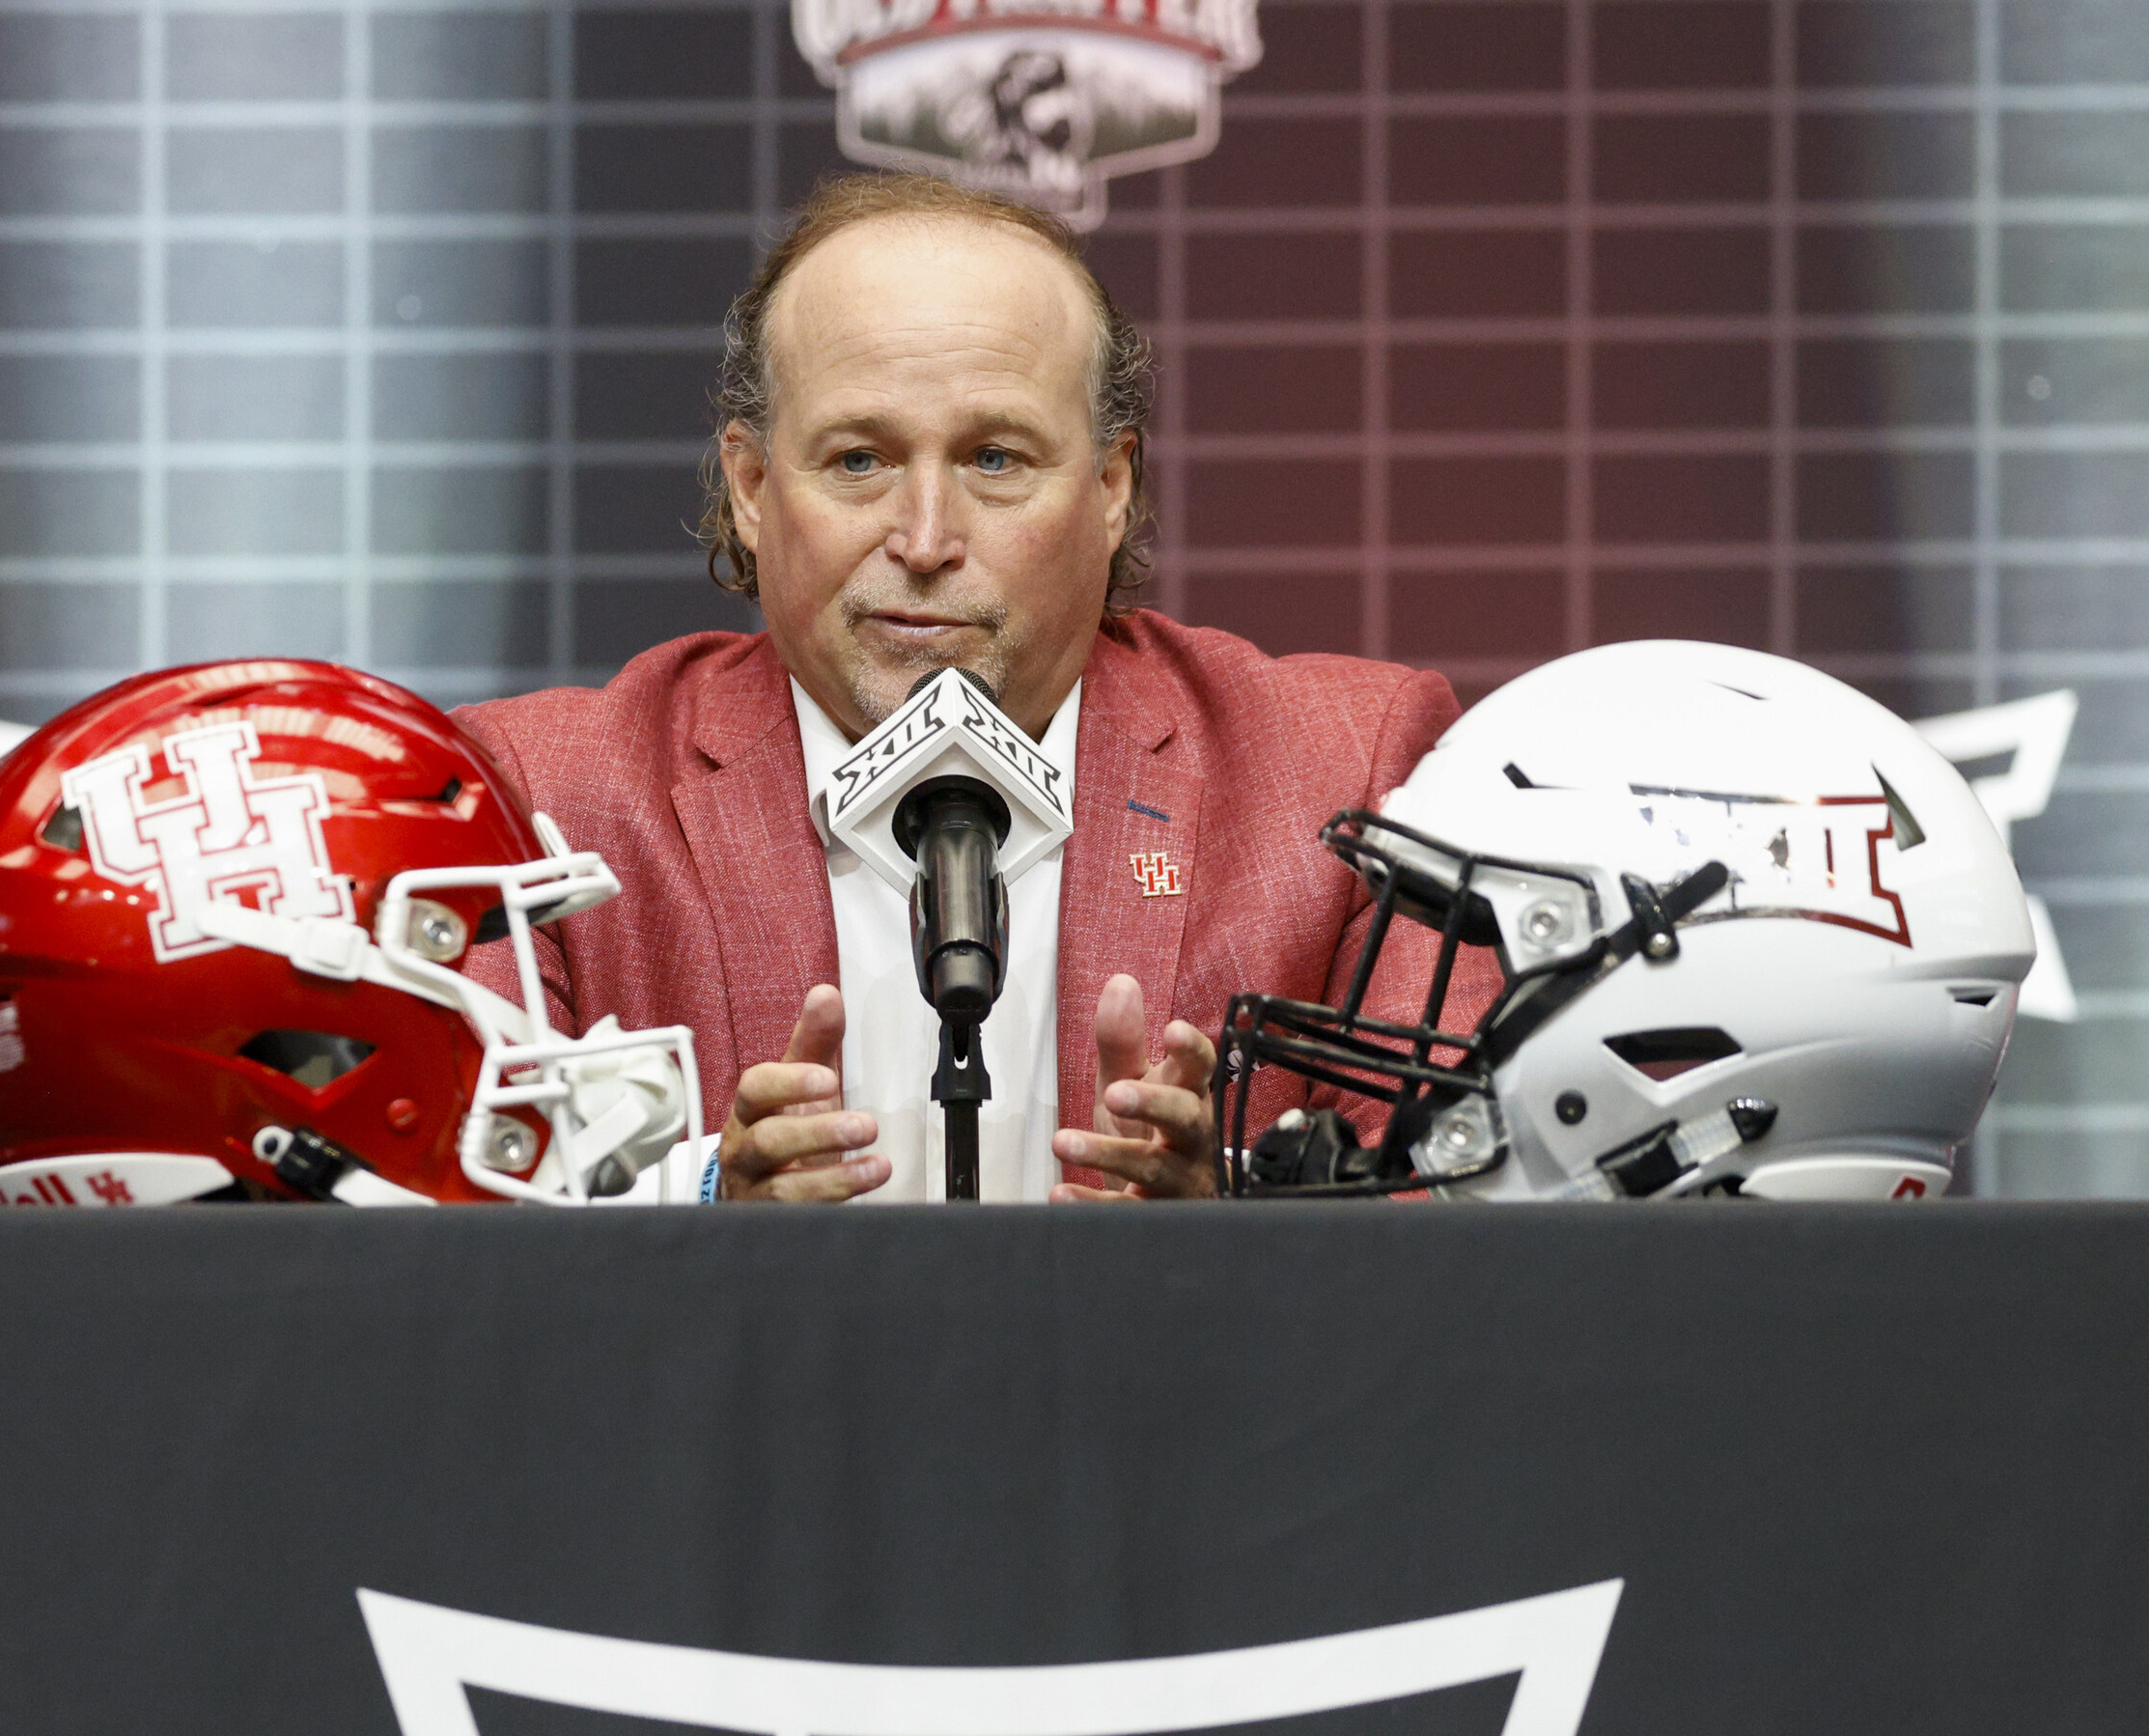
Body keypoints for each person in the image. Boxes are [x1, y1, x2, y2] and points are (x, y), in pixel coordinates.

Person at [458, 171, 1480, 1203]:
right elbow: (449, 1267)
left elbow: (1468, 1247)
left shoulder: (1345, 772)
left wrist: (1227, 1253)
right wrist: (707, 1218)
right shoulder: (538, 803)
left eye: (994, 458)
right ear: (754, 488)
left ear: (1111, 486)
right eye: (859, 460)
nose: (926, 539)